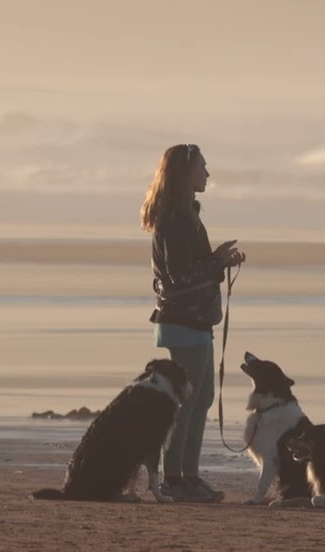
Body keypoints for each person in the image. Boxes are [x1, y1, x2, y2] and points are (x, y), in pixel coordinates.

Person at [141, 143, 245, 503]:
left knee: (200, 398)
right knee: (187, 402)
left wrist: (219, 261)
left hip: (193, 320)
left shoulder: (185, 215)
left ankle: (187, 476)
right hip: (183, 321)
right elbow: (180, 277)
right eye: (202, 167)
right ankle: (176, 478)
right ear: (185, 173)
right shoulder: (176, 220)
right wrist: (217, 263)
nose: (207, 174)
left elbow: (186, 272)